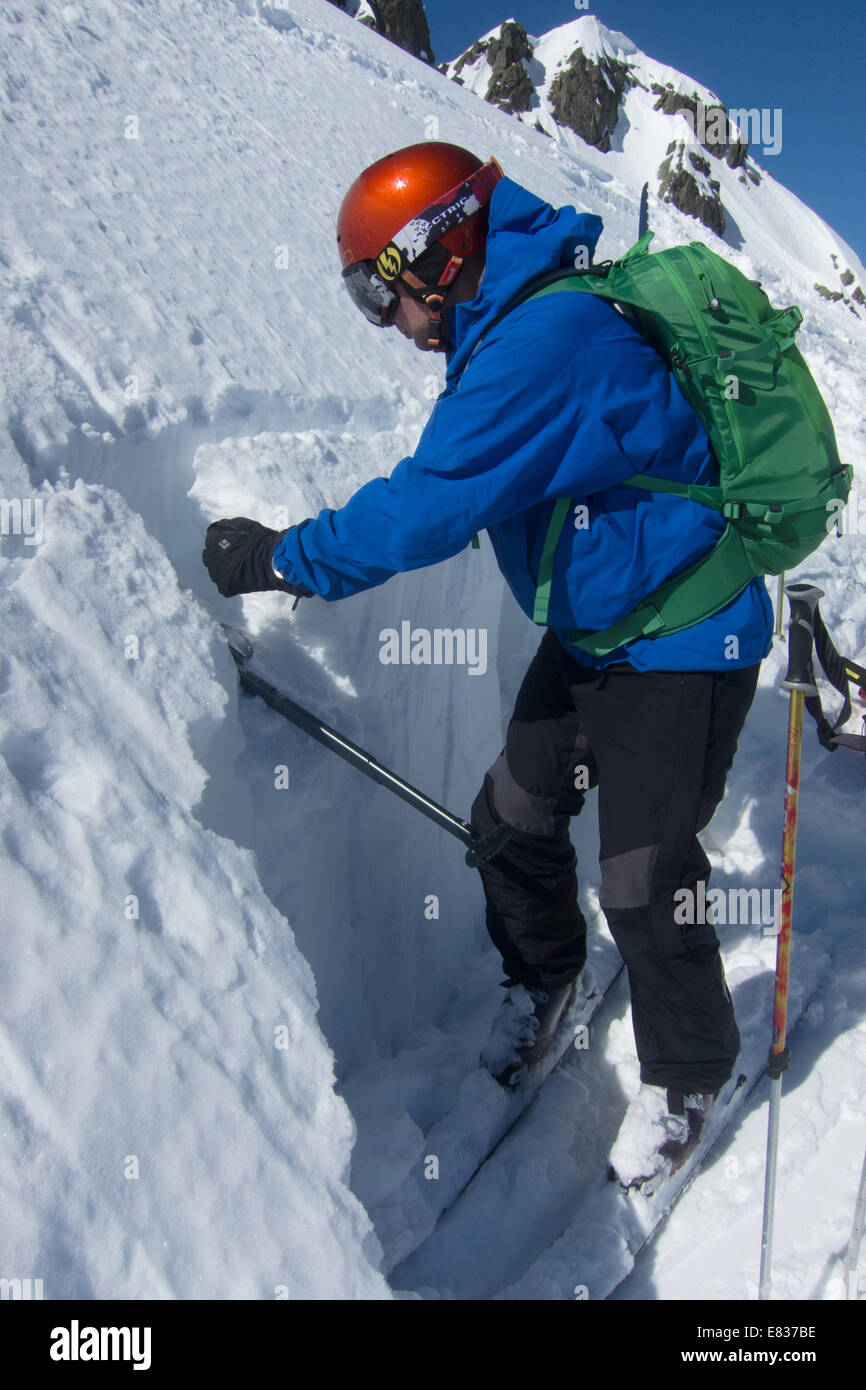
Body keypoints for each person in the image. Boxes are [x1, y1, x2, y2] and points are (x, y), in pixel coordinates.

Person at [202, 141, 773, 1180]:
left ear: (437, 251)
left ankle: (692, 1066)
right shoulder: (508, 330)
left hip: (685, 631)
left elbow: (425, 507)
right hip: (601, 631)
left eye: (380, 296)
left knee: (642, 877)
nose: (386, 324)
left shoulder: (539, 342)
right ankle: (547, 976)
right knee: (508, 817)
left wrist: (278, 558)